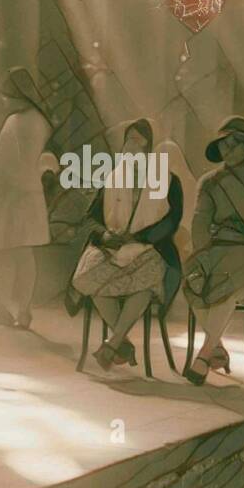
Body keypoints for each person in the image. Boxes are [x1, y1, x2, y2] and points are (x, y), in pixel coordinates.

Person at [72, 118, 183, 371]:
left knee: (146, 284)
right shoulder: (112, 178)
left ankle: (113, 344)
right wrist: (105, 236)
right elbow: (91, 219)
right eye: (128, 140)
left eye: (138, 140)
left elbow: (172, 220)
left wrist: (142, 238)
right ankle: (121, 342)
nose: (132, 146)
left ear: (149, 146)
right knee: (89, 279)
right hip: (112, 246)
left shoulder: (167, 180)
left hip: (151, 247)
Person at [183, 116, 244, 385]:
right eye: (223, 145)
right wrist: (201, 258)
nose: (228, 150)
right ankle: (217, 348)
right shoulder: (210, 182)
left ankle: (203, 355)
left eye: (234, 144)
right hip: (220, 249)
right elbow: (200, 223)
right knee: (194, 281)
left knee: (227, 287)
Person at [0, 68, 52, 329]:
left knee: (4, 254)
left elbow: (0, 164)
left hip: (13, 196)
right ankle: (24, 311)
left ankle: (3, 308)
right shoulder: (41, 121)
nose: (5, 101)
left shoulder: (14, 122)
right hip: (32, 194)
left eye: (7, 96)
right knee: (26, 256)